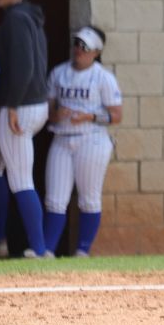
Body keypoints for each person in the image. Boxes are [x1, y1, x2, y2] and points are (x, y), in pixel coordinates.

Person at [0, 0, 51, 259]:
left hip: (20, 107)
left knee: (21, 179)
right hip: (33, 104)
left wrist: (12, 104)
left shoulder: (16, 17)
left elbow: (24, 67)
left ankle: (39, 249)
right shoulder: (28, 17)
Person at [42, 26, 122, 257]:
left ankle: (82, 251)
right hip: (62, 137)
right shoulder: (59, 73)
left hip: (91, 139)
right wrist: (57, 114)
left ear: (96, 52)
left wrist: (90, 116)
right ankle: (47, 251)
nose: (79, 50)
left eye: (85, 47)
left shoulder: (103, 77)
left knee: (89, 198)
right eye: (77, 44)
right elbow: (48, 111)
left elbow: (116, 116)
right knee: (55, 198)